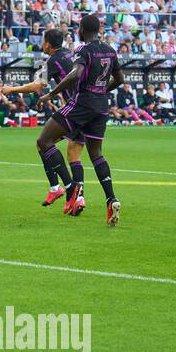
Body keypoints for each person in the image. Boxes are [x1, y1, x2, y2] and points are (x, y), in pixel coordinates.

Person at [39, 14, 124, 226]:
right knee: (96, 154)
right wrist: (103, 90)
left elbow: (75, 74)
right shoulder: (110, 50)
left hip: (82, 103)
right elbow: (120, 79)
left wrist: (52, 94)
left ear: (82, 30)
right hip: (101, 106)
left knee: (44, 141)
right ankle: (111, 198)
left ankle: (70, 187)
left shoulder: (83, 50)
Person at [0, 28, 72, 204]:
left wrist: (12, 89)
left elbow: (37, 86)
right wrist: (51, 95)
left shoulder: (52, 61)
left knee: (44, 143)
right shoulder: (71, 54)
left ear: (47, 43)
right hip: (86, 108)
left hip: (75, 110)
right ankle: (56, 188)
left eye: (43, 41)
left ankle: (71, 189)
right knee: (43, 145)